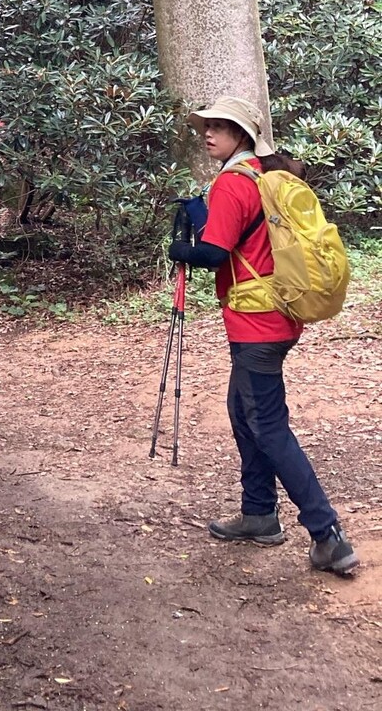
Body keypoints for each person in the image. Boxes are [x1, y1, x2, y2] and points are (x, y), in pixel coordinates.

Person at [168, 95, 358, 576]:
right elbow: (246, 239)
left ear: (242, 135)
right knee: (243, 410)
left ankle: (327, 535)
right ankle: (259, 514)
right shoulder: (263, 176)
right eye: (207, 126)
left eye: (220, 126)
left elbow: (213, 254)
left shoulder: (233, 183)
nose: (209, 133)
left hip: (257, 324)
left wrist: (181, 247)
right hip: (278, 314)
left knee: (266, 424)